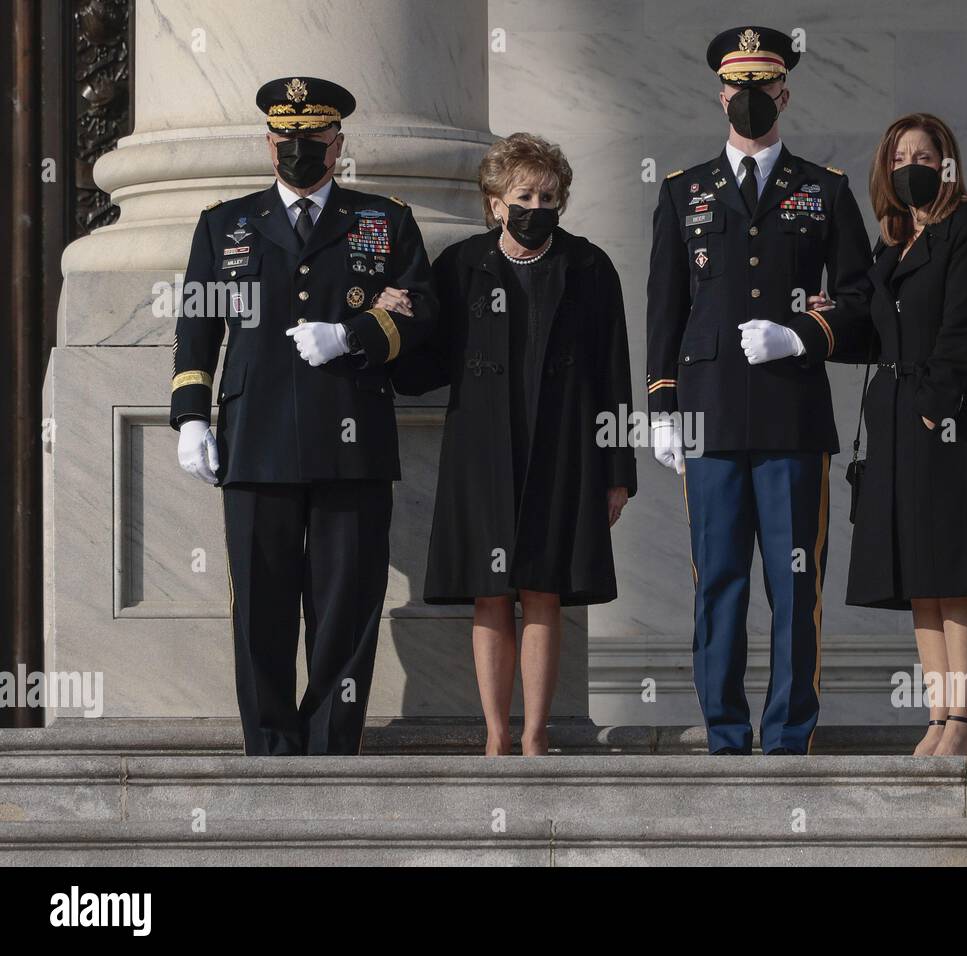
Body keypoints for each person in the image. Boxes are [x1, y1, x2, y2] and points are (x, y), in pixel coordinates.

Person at [170, 77, 435, 755]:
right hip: (254, 438)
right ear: (267, 143)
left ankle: (329, 751)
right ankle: (270, 750)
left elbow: (423, 315)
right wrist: (191, 415)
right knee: (260, 607)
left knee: (346, 605)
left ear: (336, 142)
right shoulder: (224, 223)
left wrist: (352, 335)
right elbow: (198, 329)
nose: (298, 151)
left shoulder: (385, 220)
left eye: (312, 140)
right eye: (285, 140)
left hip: (352, 436)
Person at [646, 26, 873, 755]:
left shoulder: (825, 190)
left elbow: (862, 301)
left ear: (784, 91)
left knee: (794, 586)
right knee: (717, 583)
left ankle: (786, 735)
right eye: (737, 88)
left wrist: (803, 332)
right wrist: (660, 404)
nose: (749, 99)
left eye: (762, 87)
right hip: (709, 415)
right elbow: (665, 305)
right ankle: (724, 733)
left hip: (793, 416)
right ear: (721, 94)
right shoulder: (684, 192)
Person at [385, 133, 637, 757]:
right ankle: (496, 735)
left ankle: (534, 733)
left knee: (544, 590)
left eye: (548, 195)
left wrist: (618, 470)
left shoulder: (589, 267)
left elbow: (615, 372)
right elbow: (426, 367)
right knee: (490, 591)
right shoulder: (462, 266)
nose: (536, 205)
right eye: (523, 194)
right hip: (483, 454)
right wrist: (392, 322)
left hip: (563, 452)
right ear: (495, 203)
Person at [814, 113, 967, 756]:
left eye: (925, 155)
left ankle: (963, 719)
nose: (912, 165)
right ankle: (936, 714)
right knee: (920, 579)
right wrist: (830, 324)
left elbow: (965, 324)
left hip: (949, 417)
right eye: (900, 156)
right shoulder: (891, 243)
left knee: (957, 570)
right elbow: (880, 335)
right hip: (896, 422)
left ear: (947, 163)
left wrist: (934, 406)